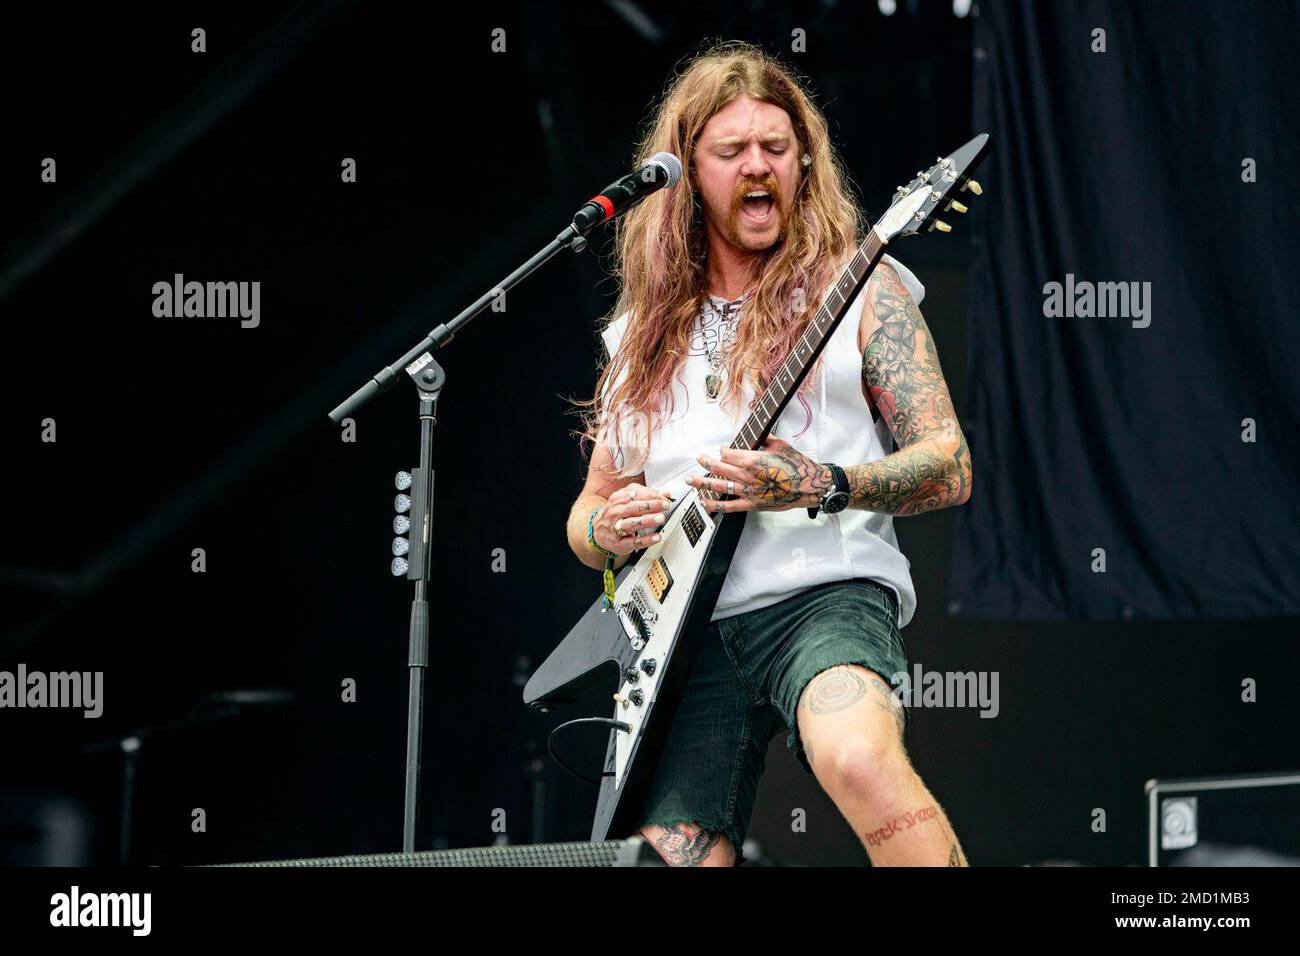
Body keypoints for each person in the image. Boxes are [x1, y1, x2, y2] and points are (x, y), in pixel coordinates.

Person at [566, 41, 971, 867]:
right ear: (685, 176)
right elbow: (586, 515)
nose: (758, 166)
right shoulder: (639, 337)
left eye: (776, 149)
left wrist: (821, 482)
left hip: (823, 597)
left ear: (803, 162)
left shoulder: (859, 290)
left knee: (856, 756)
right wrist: (609, 529)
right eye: (731, 151)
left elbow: (949, 465)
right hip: (682, 634)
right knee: (677, 857)